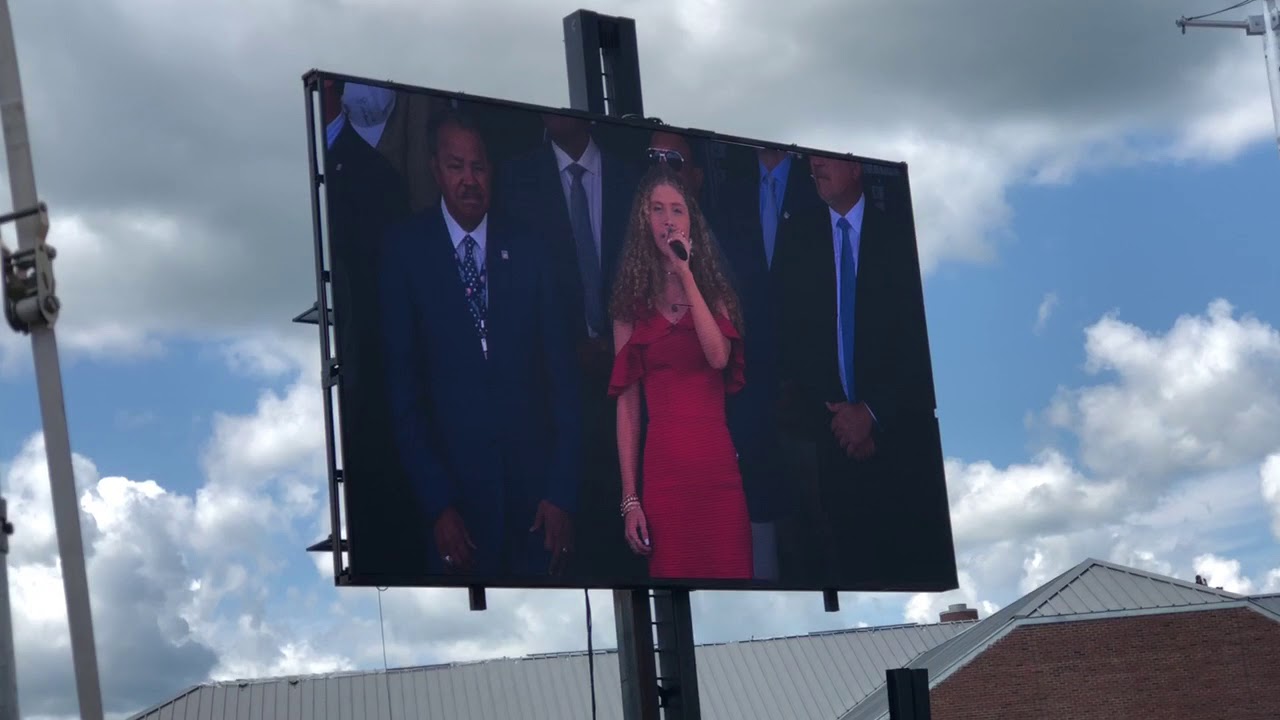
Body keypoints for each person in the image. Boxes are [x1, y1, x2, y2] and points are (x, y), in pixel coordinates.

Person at [377, 107, 582, 578]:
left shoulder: (530, 248)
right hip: (457, 519)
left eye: (479, 166)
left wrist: (561, 494)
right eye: (456, 166)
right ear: (435, 170)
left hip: (539, 516)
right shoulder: (405, 251)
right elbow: (403, 396)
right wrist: (437, 507)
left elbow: (564, 385)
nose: (469, 180)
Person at [775, 154, 939, 586]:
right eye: (809, 161)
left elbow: (919, 339)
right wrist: (843, 416)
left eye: (824, 159)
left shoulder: (900, 237)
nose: (814, 168)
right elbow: (789, 334)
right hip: (831, 440)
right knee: (849, 557)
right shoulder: (798, 237)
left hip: (904, 440)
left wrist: (871, 413)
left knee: (909, 558)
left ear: (855, 168)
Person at [497, 113, 645, 581]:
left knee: (641, 554)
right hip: (553, 403)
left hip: (639, 393)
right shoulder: (515, 178)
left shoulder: (632, 178)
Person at [607, 164, 753, 580]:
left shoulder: (714, 293)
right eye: (656, 209)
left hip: (717, 473)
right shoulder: (629, 306)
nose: (667, 219)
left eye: (676, 210)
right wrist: (630, 499)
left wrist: (687, 276)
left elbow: (719, 358)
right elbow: (628, 408)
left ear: (691, 222)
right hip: (665, 478)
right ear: (643, 220)